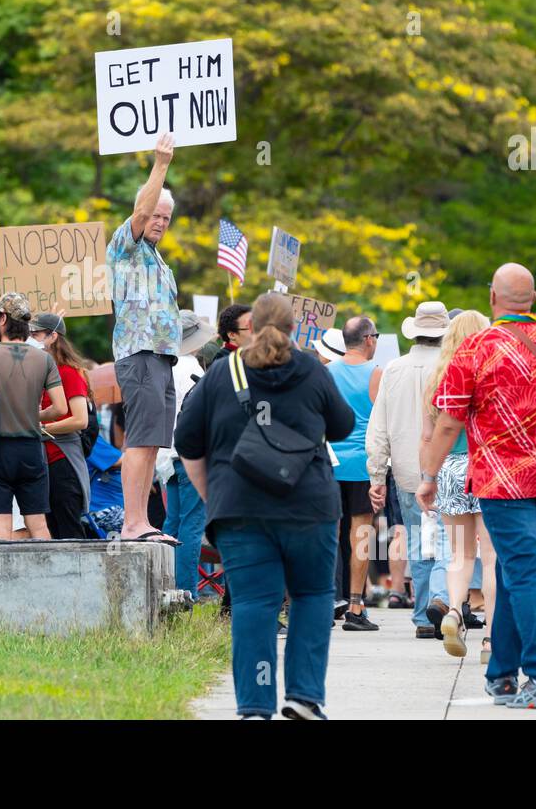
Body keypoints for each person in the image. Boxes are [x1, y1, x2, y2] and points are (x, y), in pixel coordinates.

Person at [422, 263, 536, 710]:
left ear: (492, 298)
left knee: (522, 575)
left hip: (501, 485)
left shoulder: (475, 350)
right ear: (533, 299)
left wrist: (428, 476)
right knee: (514, 572)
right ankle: (501, 674)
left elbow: (447, 424)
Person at [174, 293, 355, 719]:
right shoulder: (312, 369)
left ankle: (255, 704)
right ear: (295, 328)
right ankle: (304, 697)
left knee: (254, 604)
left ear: (250, 327)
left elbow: (186, 441)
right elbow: (343, 426)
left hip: (240, 509)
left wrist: (211, 496)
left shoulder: (222, 372)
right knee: (312, 595)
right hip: (309, 506)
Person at [107, 132, 180, 544]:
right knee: (139, 438)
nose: (159, 221)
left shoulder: (160, 263)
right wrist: (161, 163)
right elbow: (140, 210)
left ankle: (141, 521)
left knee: (153, 442)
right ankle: (132, 522)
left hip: (162, 358)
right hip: (139, 356)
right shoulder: (127, 246)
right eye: (156, 214)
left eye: (167, 218)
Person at [367, 300, 451, 639]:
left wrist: (376, 476)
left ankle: (421, 615)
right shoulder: (452, 367)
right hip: (448, 465)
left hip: (404, 469)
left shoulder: (393, 369)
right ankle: (442, 600)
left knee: (418, 539)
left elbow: (379, 428)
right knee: (449, 539)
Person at [420, 309, 497, 659]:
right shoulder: (491, 373)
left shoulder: (437, 378)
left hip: (450, 466)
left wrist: (428, 477)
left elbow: (428, 437)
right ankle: (491, 639)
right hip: (487, 466)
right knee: (493, 557)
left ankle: (453, 610)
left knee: (459, 554)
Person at [0, 293, 67, 540]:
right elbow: (60, 409)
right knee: (38, 524)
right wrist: (33, 415)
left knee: (1, 528)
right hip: (31, 448)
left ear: (3, 318)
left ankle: (4, 580)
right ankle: (49, 577)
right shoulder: (43, 358)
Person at [326, 315, 383, 632]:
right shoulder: (376, 374)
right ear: (368, 340)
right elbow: (380, 424)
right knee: (361, 534)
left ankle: (323, 601)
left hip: (329, 463)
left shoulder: (326, 372)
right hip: (364, 463)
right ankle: (356, 606)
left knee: (328, 534)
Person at [158, 311, 215, 591]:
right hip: (188, 455)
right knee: (192, 525)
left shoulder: (164, 364)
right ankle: (186, 592)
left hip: (164, 453)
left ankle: (164, 587)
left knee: (173, 524)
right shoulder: (193, 367)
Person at [32, 312, 95, 542]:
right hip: (42, 460)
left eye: (35, 334)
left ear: (53, 336)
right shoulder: (39, 372)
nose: (30, 338)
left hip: (63, 460)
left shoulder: (68, 373)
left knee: (69, 533)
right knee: (52, 531)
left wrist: (39, 428)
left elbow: (80, 420)